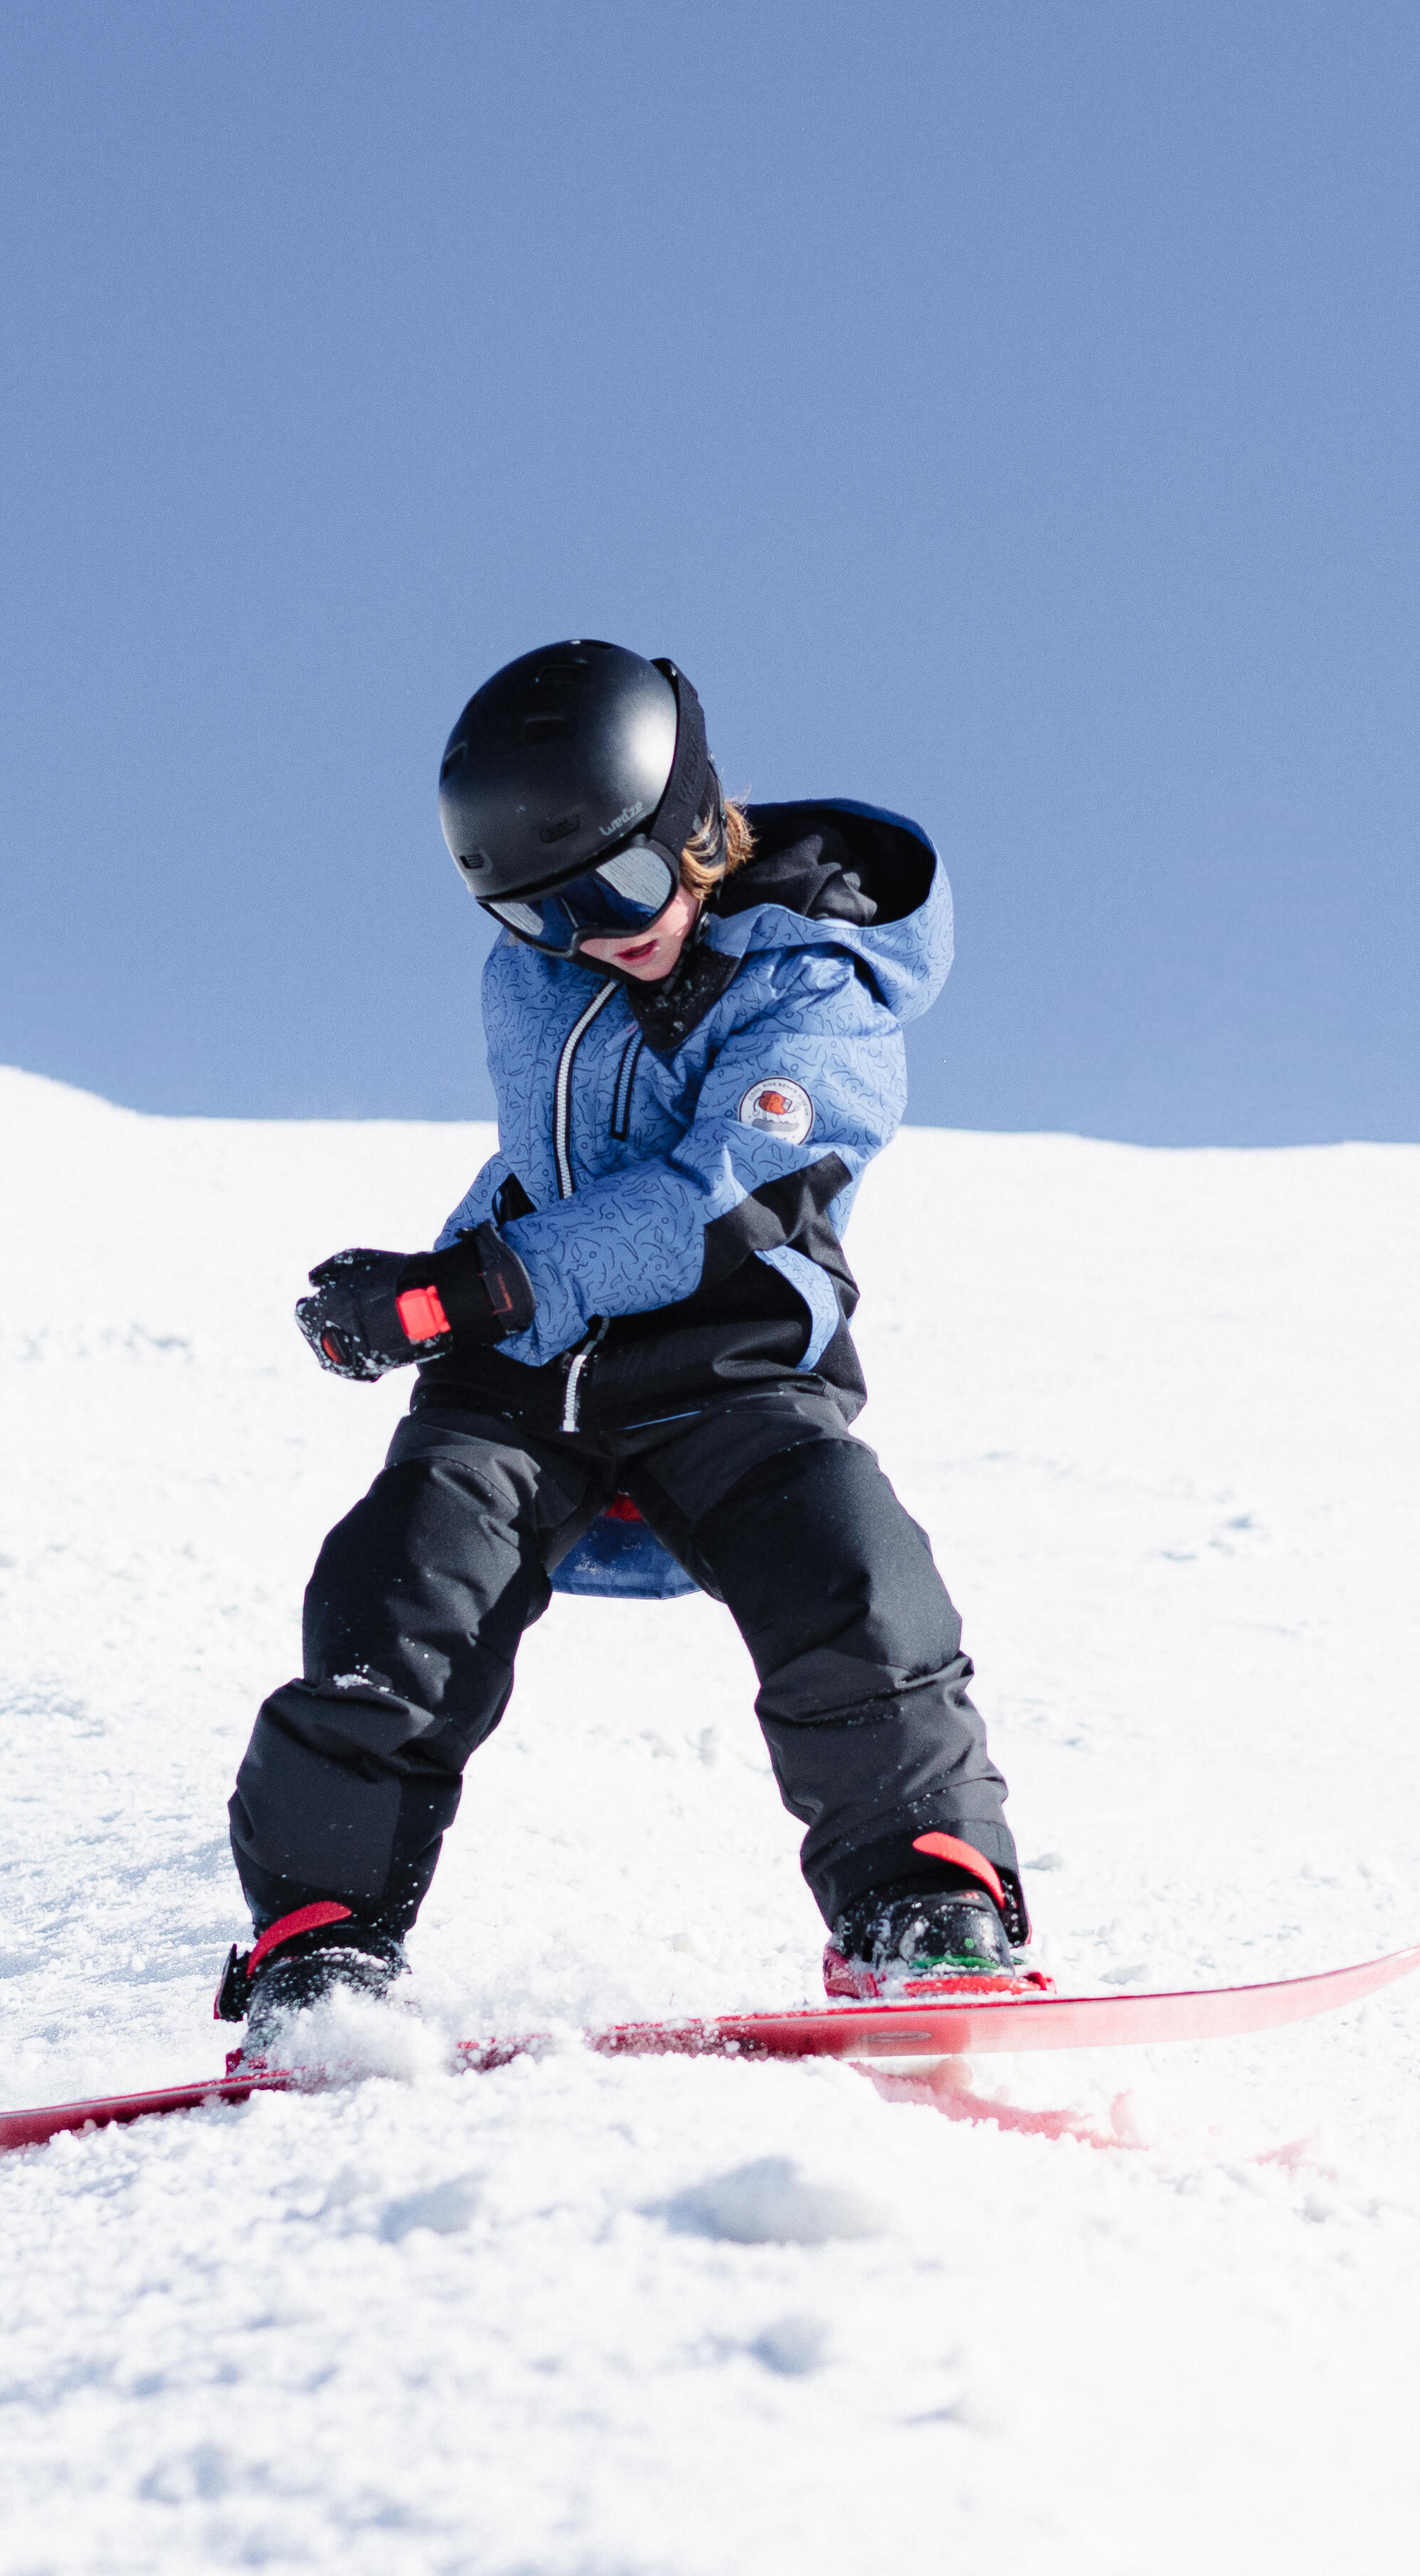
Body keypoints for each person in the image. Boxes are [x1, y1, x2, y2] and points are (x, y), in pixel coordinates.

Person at [215, 638, 1028, 2051]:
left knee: (847, 1567)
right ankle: (318, 1944)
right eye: (541, 912)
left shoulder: (819, 983)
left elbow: (720, 1195)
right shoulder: (535, 978)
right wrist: (425, 1285)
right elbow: (553, 1166)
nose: (593, 931)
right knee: (402, 1580)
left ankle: (921, 1902)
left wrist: (478, 1288)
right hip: (530, 1369)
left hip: (731, 1358)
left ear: (694, 821)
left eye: (622, 887)